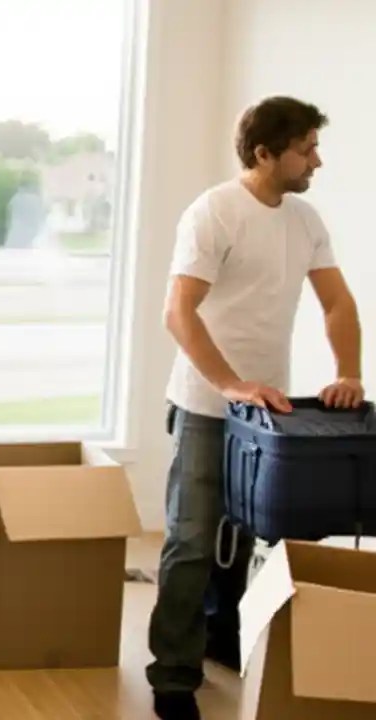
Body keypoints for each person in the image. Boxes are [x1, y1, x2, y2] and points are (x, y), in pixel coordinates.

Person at [147, 95, 363, 720]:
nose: (316, 160)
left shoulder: (304, 219)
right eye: (306, 149)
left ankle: (219, 641)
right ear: (265, 153)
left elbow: (338, 305)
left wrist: (348, 372)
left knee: (244, 538)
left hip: (268, 414)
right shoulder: (214, 212)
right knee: (192, 541)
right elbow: (177, 313)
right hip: (206, 403)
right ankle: (173, 677)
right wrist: (232, 384)